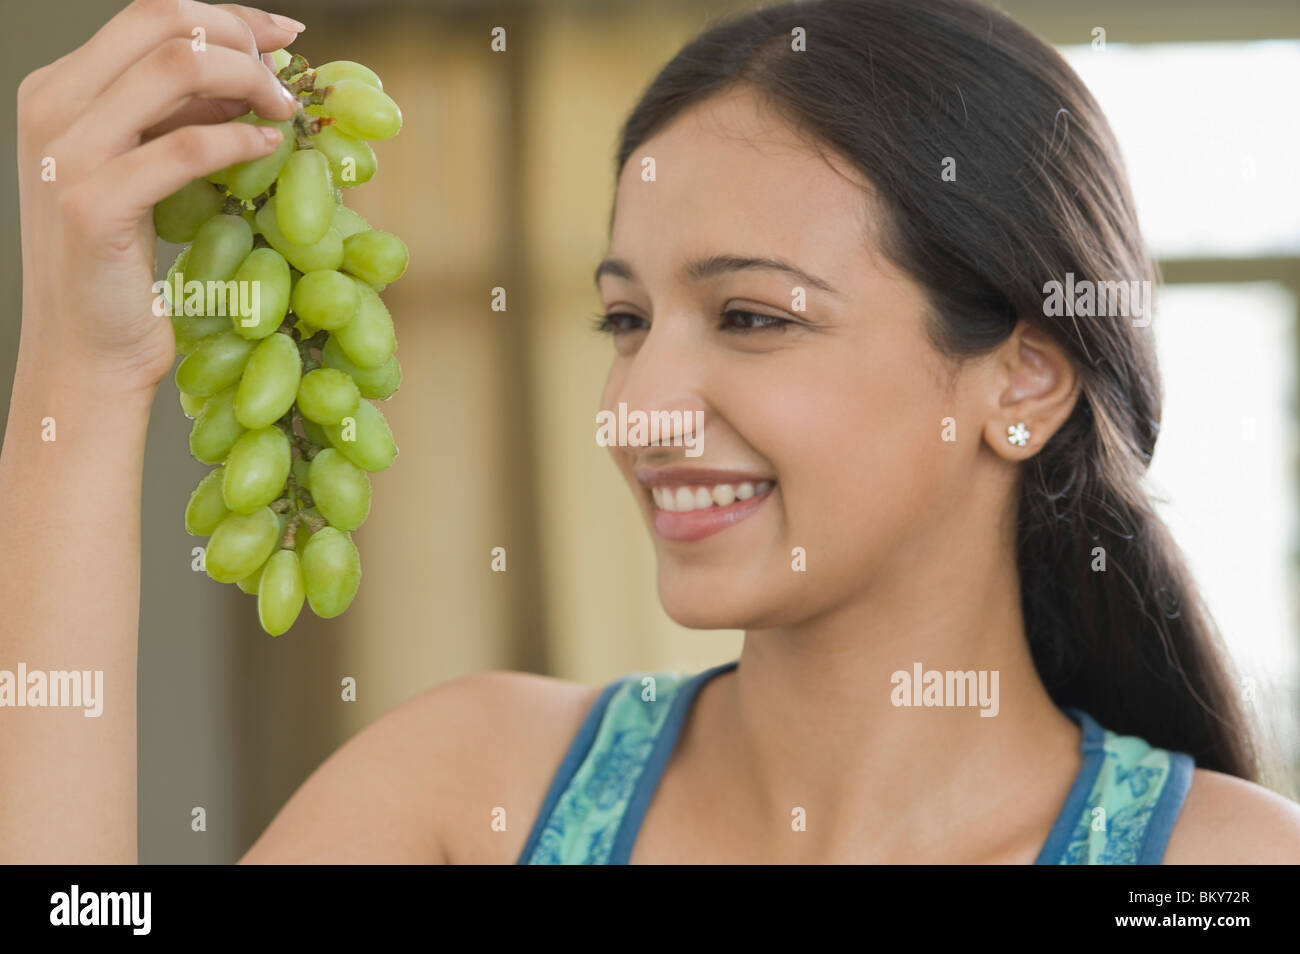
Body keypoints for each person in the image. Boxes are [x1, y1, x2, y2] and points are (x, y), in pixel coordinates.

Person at [3, 0, 1298, 865]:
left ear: (1022, 380)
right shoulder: (467, 792)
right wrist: (86, 368)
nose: (636, 412)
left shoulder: (1222, 867)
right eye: (625, 322)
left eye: (751, 316)